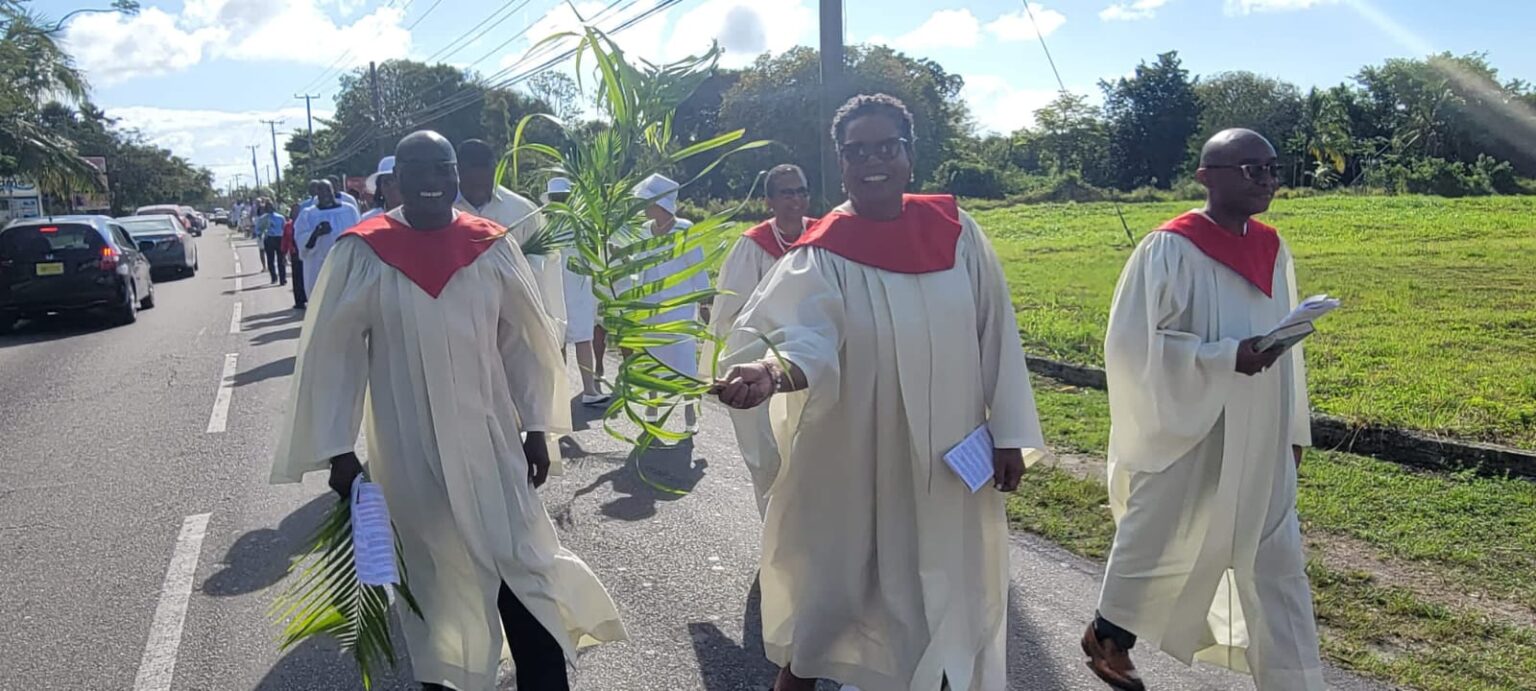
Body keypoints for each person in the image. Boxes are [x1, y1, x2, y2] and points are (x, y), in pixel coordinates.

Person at [712, 94, 1047, 691]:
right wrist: (771, 370)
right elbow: (802, 335)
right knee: (838, 588)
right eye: (856, 151)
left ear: (908, 156)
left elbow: (996, 331)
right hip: (858, 450)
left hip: (951, 449)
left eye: (886, 147)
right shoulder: (825, 249)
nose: (873, 161)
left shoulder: (957, 232)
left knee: (945, 582)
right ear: (840, 162)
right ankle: (797, 678)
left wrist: (1011, 434)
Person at [272, 130, 626, 691]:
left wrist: (537, 428)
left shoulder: (490, 245)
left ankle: (544, 679)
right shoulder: (363, 252)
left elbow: (526, 343)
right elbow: (332, 356)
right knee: (438, 580)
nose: (433, 182)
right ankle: (447, 680)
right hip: (409, 445)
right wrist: (338, 450)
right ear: (396, 182)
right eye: (418, 171)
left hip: (492, 439)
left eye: (444, 168)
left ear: (457, 174)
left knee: (523, 564)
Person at [1081, 128, 1319, 691]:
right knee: (1159, 531)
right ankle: (1109, 634)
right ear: (1206, 176)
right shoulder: (1169, 247)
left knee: (1278, 565)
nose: (1264, 179)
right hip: (1190, 423)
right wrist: (1221, 358)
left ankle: (1296, 682)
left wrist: (1292, 428)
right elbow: (1133, 345)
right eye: (1248, 167)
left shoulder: (1272, 247)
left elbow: (1290, 350)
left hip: (1260, 429)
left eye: (1270, 167)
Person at [708, 163, 813, 516]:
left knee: (814, 455)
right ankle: (774, 535)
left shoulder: (822, 240)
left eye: (801, 191)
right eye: (787, 192)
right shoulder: (752, 247)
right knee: (772, 454)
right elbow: (728, 310)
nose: (796, 199)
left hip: (814, 362)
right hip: (764, 361)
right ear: (769, 200)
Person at [454, 139, 567, 338]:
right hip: (461, 322)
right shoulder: (442, 213)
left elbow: (547, 267)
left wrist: (553, 327)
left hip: (514, 324)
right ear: (458, 174)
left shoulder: (522, 211)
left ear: (495, 172)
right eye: (471, 185)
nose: (479, 191)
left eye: (484, 183)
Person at [630, 173, 708, 433]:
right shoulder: (643, 231)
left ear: (660, 204)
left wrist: (704, 300)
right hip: (650, 306)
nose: (643, 207)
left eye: (647, 202)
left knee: (684, 362)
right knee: (652, 358)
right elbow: (637, 266)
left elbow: (697, 268)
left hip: (679, 307)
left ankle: (690, 414)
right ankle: (652, 409)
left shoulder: (683, 229)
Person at [543, 177, 609, 406]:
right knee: (582, 339)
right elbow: (594, 256)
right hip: (578, 285)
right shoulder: (581, 223)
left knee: (559, 338)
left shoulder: (543, 224)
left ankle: (561, 391)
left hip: (555, 284)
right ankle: (588, 389)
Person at [293, 179, 361, 298]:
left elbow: (359, 234)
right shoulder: (308, 214)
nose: (325, 195)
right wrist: (315, 234)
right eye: (321, 192)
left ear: (333, 191)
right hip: (319, 267)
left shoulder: (349, 210)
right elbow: (301, 243)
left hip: (346, 265)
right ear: (316, 195)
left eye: (327, 191)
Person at [281, 202, 306, 309]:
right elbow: (285, 240)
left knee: (307, 276)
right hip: (295, 254)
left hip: (306, 253)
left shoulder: (306, 223)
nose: (295, 213)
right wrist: (283, 254)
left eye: (297, 211)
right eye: (293, 211)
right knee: (297, 278)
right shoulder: (288, 226)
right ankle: (299, 301)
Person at [256, 200, 287, 285]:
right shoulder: (263, 218)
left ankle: (282, 279)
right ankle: (274, 277)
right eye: (268, 207)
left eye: (271, 206)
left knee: (281, 260)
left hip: (279, 238)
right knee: (270, 260)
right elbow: (258, 229)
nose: (270, 208)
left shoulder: (280, 217)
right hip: (269, 238)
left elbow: (284, 228)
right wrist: (260, 234)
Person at [362, 155, 401, 221]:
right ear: (380, 188)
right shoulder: (369, 219)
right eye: (387, 182)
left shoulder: (416, 219)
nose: (392, 187)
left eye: (396, 181)